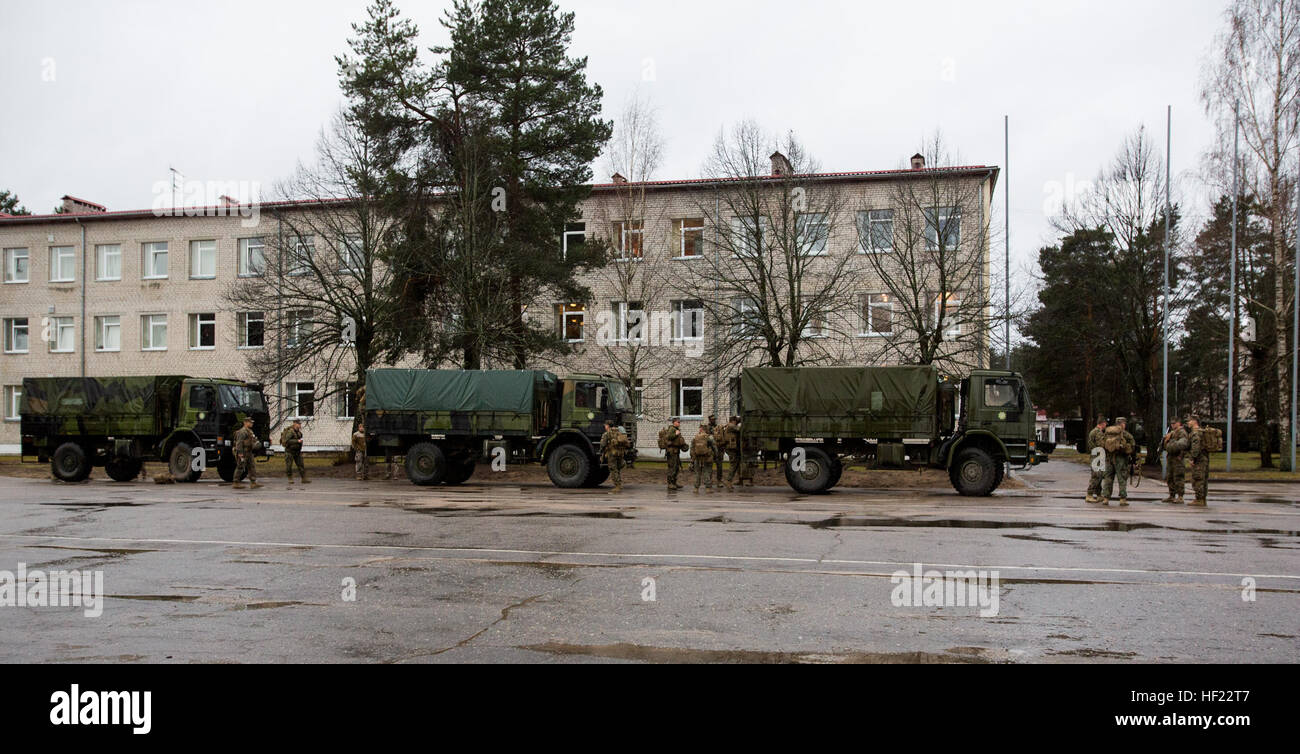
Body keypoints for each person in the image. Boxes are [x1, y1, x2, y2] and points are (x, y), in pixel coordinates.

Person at [1099, 416, 1135, 506]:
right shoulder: (1125, 434)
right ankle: (1122, 499)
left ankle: (1106, 498)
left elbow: (1101, 443)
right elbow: (1133, 445)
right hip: (1121, 459)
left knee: (1108, 478)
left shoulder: (1108, 432)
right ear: (1123, 424)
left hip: (1109, 458)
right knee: (1122, 478)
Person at [1160, 417, 1189, 504]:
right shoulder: (1172, 433)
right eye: (1172, 423)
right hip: (1171, 457)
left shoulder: (1182, 432)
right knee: (1170, 477)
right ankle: (1172, 495)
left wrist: (1171, 445)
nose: (1172, 425)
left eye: (1174, 423)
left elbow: (1184, 445)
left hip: (1178, 458)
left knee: (1178, 477)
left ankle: (1180, 496)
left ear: (1179, 423)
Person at [231, 417, 261, 490]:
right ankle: (236, 482)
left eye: (252, 422)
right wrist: (240, 453)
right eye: (250, 422)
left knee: (252, 466)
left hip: (249, 452)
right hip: (243, 452)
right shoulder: (242, 432)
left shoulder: (249, 431)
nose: (251, 424)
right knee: (240, 467)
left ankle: (253, 482)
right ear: (245, 423)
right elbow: (239, 443)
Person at [599, 420, 630, 492]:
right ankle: (619, 484)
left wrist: (601, 451)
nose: (604, 426)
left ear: (608, 426)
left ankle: (617, 486)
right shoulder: (619, 432)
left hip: (612, 454)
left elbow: (603, 444)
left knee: (613, 469)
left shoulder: (607, 434)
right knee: (617, 469)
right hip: (620, 453)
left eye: (605, 425)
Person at [1186, 415, 1210, 507]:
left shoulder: (1195, 433)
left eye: (1189, 421)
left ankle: (1199, 499)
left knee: (1198, 478)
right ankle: (1202, 499)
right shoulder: (1201, 431)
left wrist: (1192, 458)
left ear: (1194, 421)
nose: (1188, 422)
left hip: (1199, 459)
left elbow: (1195, 447)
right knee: (1203, 479)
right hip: (1204, 458)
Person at [659, 418, 687, 491]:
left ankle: (674, 482)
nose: (679, 423)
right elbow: (669, 437)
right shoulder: (672, 429)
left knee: (676, 467)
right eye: (678, 422)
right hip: (671, 452)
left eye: (679, 422)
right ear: (674, 422)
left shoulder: (675, 429)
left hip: (676, 451)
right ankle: (670, 483)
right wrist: (676, 434)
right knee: (672, 467)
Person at [1084, 417, 1107, 503]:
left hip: (1095, 454)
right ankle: (1089, 495)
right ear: (1102, 423)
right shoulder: (1098, 432)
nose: (1106, 425)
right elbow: (1101, 444)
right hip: (1097, 456)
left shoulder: (1093, 431)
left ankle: (1098, 494)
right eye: (1105, 423)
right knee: (1096, 476)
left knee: (1099, 476)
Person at [280, 419, 310, 484]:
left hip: (297, 452)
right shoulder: (290, 432)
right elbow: (286, 441)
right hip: (289, 451)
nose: (300, 425)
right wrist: (297, 441)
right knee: (289, 466)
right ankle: (290, 478)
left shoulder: (299, 432)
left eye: (300, 424)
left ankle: (304, 478)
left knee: (301, 465)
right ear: (294, 424)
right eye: (298, 424)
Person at [689, 424, 717, 493]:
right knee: (707, 472)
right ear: (706, 430)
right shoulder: (709, 437)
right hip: (707, 458)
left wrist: (692, 458)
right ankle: (708, 488)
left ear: (701, 429)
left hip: (697, 458)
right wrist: (715, 456)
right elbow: (714, 448)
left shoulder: (695, 437)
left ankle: (696, 488)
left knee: (697, 473)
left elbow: (692, 448)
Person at [720, 416, 742, 492]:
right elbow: (739, 429)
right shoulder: (731, 425)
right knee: (733, 464)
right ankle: (728, 481)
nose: (737, 422)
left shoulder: (729, 425)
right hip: (731, 449)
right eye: (736, 421)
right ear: (733, 421)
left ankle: (729, 481)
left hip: (732, 448)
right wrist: (741, 422)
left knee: (735, 464)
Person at [705, 413, 724, 486]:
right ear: (709, 420)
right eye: (712, 419)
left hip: (719, 449)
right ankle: (709, 480)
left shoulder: (718, 427)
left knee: (719, 466)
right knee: (709, 466)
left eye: (714, 419)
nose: (714, 421)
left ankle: (719, 481)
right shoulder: (707, 428)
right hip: (711, 450)